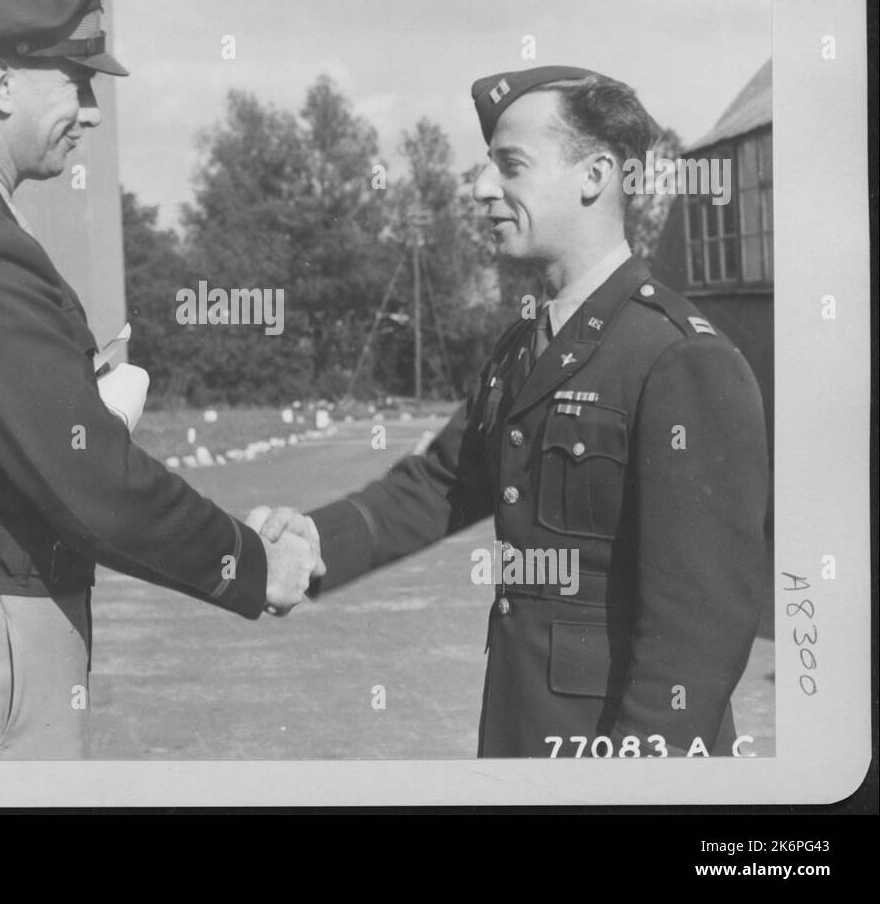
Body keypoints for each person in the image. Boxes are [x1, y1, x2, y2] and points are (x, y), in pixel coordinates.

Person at [0, 0, 319, 760]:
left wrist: (75, 401)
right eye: (77, 83)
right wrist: (255, 563)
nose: (90, 111)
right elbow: (91, 488)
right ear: (4, 83)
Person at [254, 65, 768, 758]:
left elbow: (701, 626)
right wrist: (311, 544)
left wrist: (641, 782)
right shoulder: (523, 348)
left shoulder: (678, 358)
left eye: (510, 166)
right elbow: (441, 481)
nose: (481, 188)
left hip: (617, 753)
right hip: (521, 734)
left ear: (594, 174)